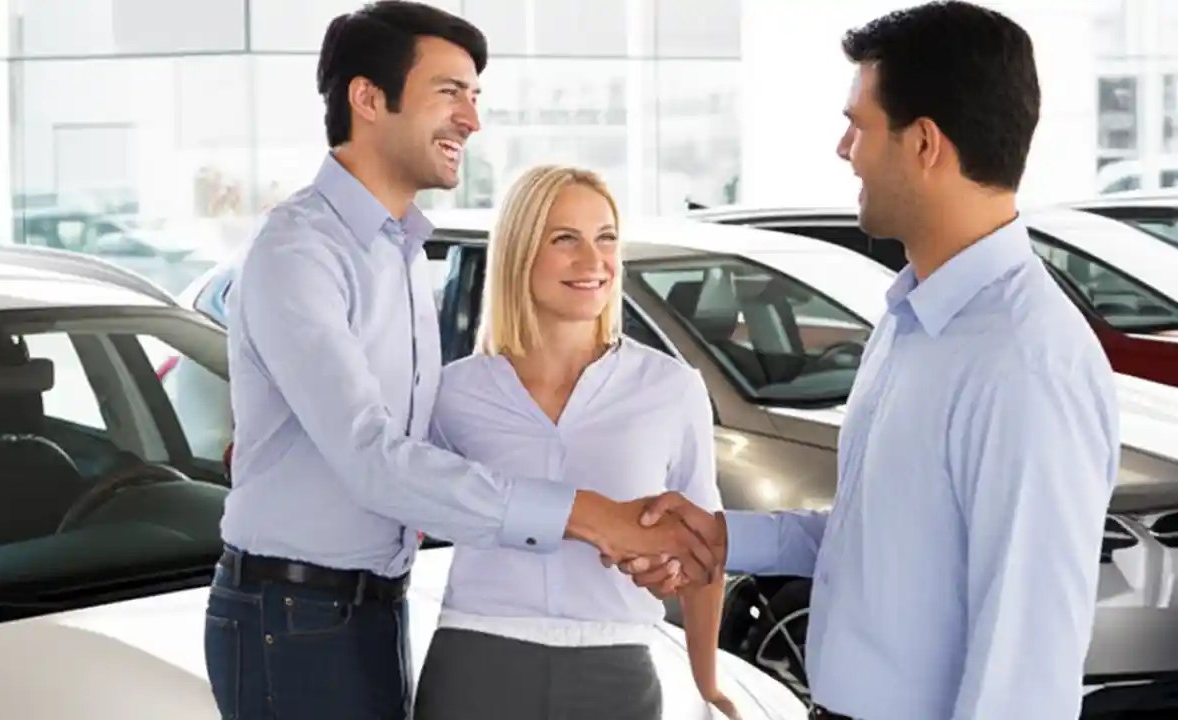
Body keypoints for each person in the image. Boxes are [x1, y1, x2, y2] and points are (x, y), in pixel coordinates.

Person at [204, 3, 721, 719]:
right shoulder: (300, 250)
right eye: (450, 93)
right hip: (294, 609)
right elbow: (372, 458)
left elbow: (406, 456)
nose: (472, 121)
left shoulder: (402, 251)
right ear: (368, 99)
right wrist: (587, 515)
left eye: (475, 97)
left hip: (366, 607)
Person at [618, 3, 1120, 719]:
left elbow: (1025, 665)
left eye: (859, 123)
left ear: (923, 144)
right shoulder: (913, 317)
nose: (843, 148)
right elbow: (875, 534)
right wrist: (725, 535)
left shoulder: (1027, 362)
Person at [410, 165, 739, 720]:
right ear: (519, 253)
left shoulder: (671, 388)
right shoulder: (453, 392)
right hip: (476, 664)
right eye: (565, 239)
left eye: (606, 238)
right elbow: (409, 507)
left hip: (615, 671)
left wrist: (707, 682)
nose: (594, 261)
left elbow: (706, 550)